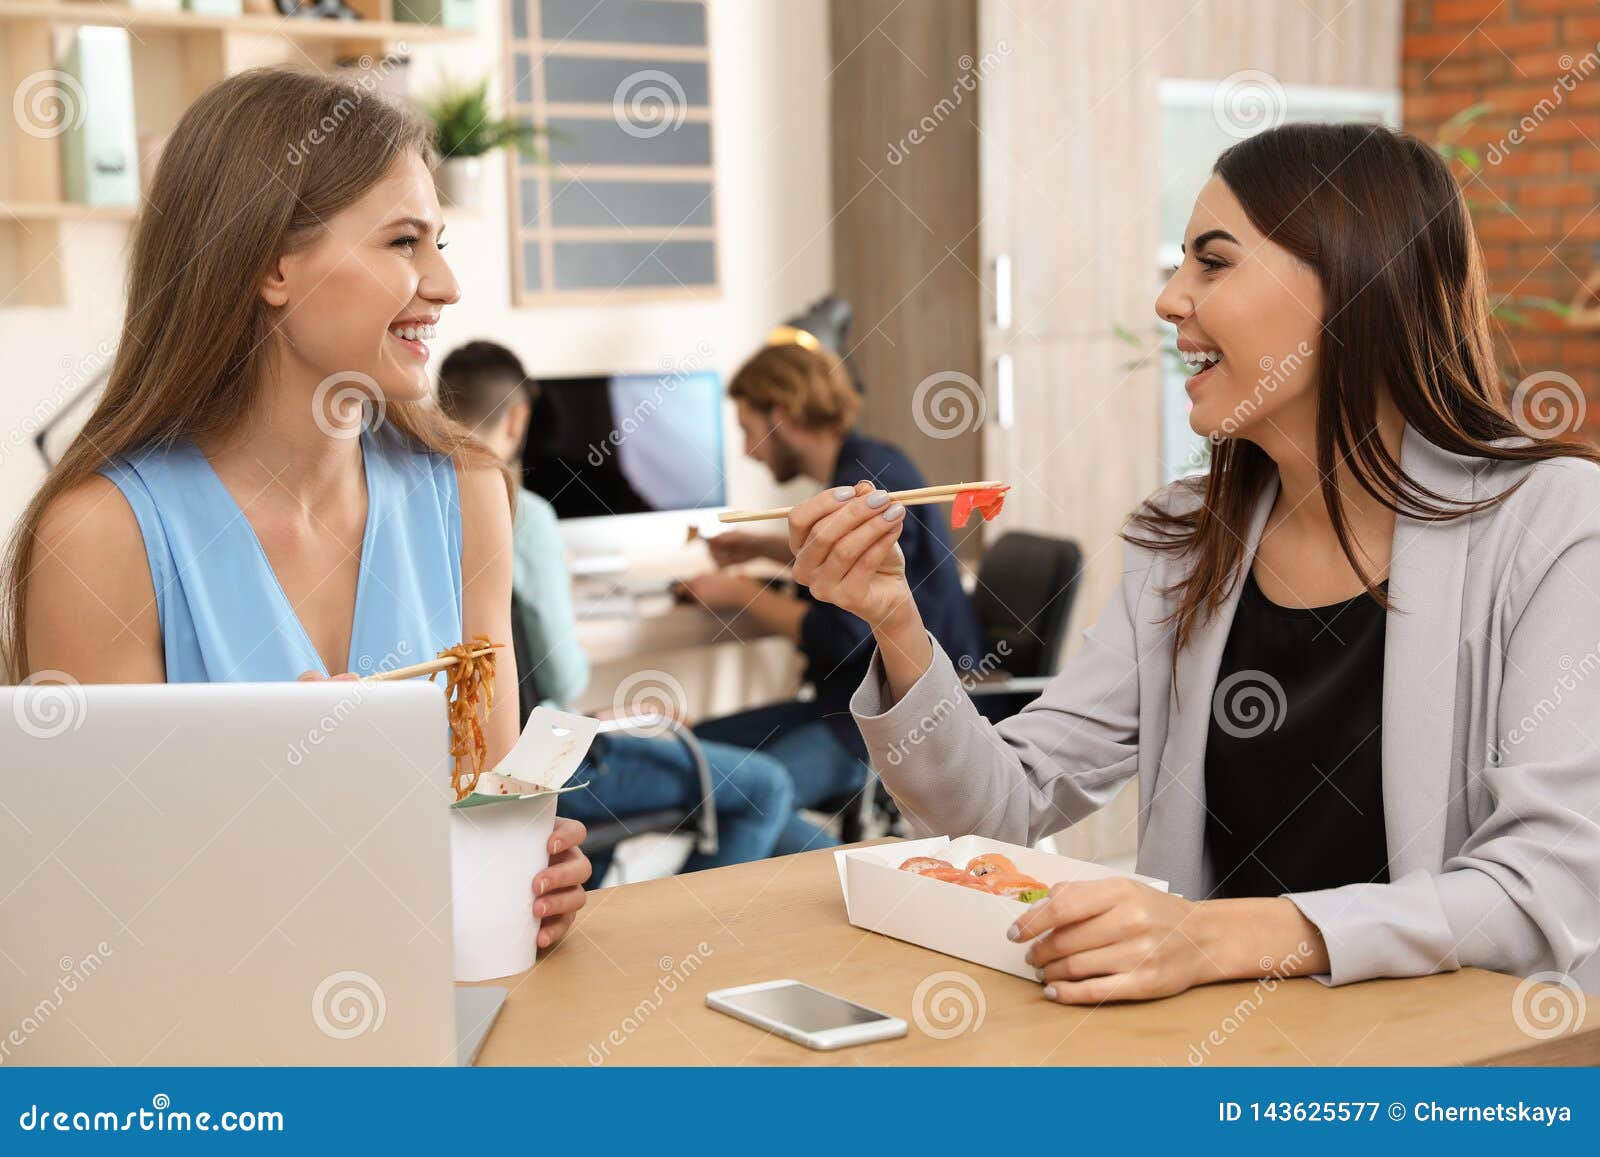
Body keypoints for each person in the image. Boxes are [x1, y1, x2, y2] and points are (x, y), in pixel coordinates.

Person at [784, 122, 1600, 1002]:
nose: (1171, 299)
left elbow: (1547, 888)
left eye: (1213, 262)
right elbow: (1000, 810)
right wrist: (895, 622)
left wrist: (1213, 936)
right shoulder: (1181, 537)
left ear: (1354, 281)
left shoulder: (1551, 526)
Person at [1, 68, 591, 950]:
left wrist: (531, 883)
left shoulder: (466, 495)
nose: (444, 284)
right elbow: (102, 913)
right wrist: (291, 798)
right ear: (272, 265)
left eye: (439, 241)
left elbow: (486, 815)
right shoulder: (104, 536)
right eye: (402, 242)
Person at [435, 340, 836, 883]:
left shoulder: (421, 504)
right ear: (518, 419)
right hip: (546, 763)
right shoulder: (520, 513)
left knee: (784, 825)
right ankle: (696, 941)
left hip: (456, 772)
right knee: (765, 790)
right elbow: (563, 677)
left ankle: (839, 877)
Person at [682, 337, 984, 843]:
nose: (746, 450)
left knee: (745, 798)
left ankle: (856, 879)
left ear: (781, 414)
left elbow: (839, 635)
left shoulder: (866, 483)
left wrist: (738, 596)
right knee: (686, 752)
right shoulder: (868, 464)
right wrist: (760, 548)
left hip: (881, 720)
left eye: (748, 431)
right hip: (835, 703)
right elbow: (846, 570)